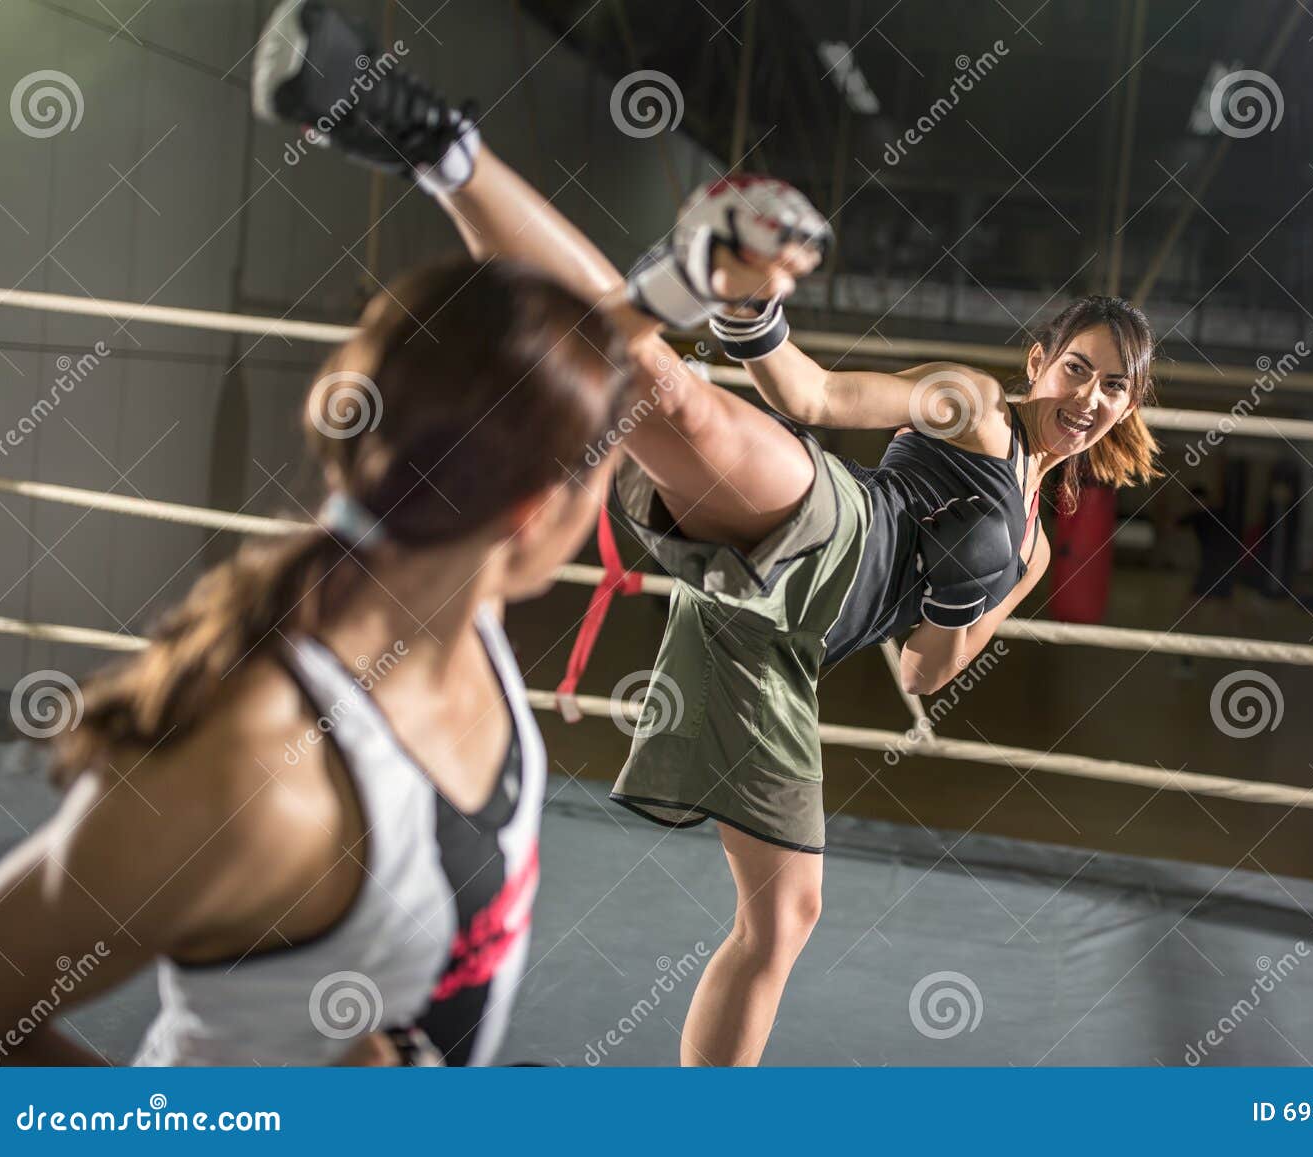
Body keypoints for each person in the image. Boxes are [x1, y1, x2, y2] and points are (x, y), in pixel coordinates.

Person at [251, 0, 1159, 1065]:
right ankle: (436, 141)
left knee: (784, 919)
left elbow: (923, 671)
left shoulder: (1037, 548)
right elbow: (816, 397)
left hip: (778, 648)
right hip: (826, 522)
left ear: (1129, 407)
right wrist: (754, 323)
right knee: (662, 389)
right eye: (1079, 368)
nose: (1089, 396)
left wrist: (981, 589)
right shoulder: (974, 406)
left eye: (1114, 387)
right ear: (1042, 359)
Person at [0, 256, 635, 1065]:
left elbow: (542, 366)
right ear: (533, 512)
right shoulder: (256, 771)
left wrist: (697, 278)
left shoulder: (467, 603)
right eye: (603, 480)